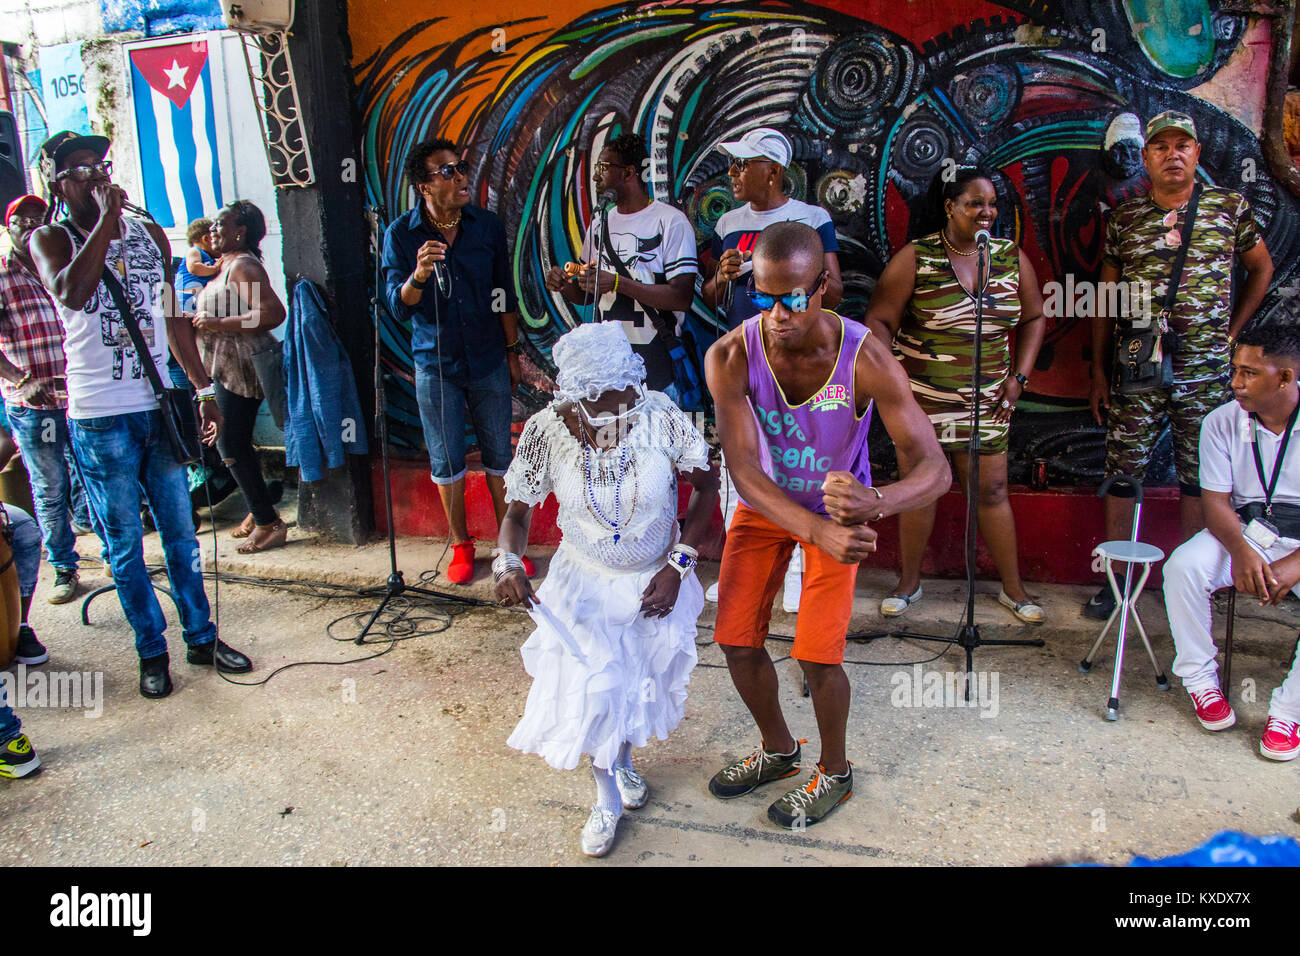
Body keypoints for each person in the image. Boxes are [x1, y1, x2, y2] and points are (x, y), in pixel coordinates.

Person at [704, 222, 950, 828]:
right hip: (767, 506)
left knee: (817, 658)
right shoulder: (731, 354)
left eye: (793, 297)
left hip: (838, 512)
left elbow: (935, 470)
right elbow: (742, 470)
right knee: (735, 641)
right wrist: (815, 532)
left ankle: (835, 772)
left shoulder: (863, 356)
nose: (778, 314)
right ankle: (779, 749)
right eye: (764, 297)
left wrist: (876, 501)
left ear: (824, 286)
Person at [28, 129, 252, 699]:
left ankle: (200, 637)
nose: (98, 173)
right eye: (81, 168)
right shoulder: (50, 238)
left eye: (101, 163)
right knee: (126, 544)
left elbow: (172, 316)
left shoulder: (149, 232)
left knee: (182, 535)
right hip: (100, 416)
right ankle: (151, 652)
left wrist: (201, 388)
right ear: (59, 181)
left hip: (157, 407)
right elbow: (73, 293)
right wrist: (104, 220)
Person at [494, 322, 718, 857]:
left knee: (634, 681)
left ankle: (622, 761)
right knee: (596, 691)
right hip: (583, 588)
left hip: (652, 583)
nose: (622, 409)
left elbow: (708, 487)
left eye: (628, 395)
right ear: (577, 395)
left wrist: (679, 565)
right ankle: (606, 797)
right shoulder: (546, 431)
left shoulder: (662, 415)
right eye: (606, 401)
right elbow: (518, 513)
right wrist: (507, 564)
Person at [1087, 109, 1274, 619]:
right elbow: (1104, 299)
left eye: (1182, 145)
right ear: (1146, 157)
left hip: (1207, 370)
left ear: (1196, 154)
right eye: (1161, 146)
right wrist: (1100, 371)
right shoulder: (1123, 218)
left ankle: (1191, 584)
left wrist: (1231, 333)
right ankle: (1118, 581)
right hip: (1138, 360)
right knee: (1124, 470)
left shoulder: (1228, 208)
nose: (1173, 154)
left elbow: (1261, 269)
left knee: (1200, 477)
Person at [865, 167, 1048, 623]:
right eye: (974, 203)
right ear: (950, 207)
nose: (986, 212)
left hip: (989, 400)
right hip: (923, 399)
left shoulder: (1008, 257)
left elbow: (1033, 318)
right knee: (921, 490)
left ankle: (1014, 591)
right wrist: (893, 381)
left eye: (991, 204)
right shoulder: (918, 258)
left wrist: (1019, 379)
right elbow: (879, 320)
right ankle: (908, 585)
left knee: (992, 490)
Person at [699, 127, 843, 613]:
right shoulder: (729, 222)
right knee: (739, 464)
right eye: (733, 165)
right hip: (745, 363)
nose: (734, 174)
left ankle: (800, 571)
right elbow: (710, 298)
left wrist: (787, 284)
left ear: (774, 171)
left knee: (800, 464)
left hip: (796, 362)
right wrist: (721, 277)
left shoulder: (811, 218)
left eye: (744, 165)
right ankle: (738, 566)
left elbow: (836, 291)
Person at [382, 137, 529, 585]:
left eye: (462, 168)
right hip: (437, 365)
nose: (461, 177)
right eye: (448, 171)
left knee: (501, 457)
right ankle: (462, 545)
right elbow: (397, 305)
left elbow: (505, 293)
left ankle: (507, 551)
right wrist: (419, 276)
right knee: (447, 461)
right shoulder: (402, 235)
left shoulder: (485, 227)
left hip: (487, 359)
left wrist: (512, 353)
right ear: (423, 186)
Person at [1161, 325, 1300, 760]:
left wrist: (1295, 564)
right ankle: (1202, 684)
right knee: (1183, 566)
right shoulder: (1221, 421)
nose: (1236, 383)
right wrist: (1242, 553)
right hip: (1246, 531)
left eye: (1250, 373)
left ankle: (1289, 712)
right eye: (1235, 370)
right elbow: (1216, 503)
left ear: (1286, 378)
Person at [544, 133, 699, 401]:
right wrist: (564, 284)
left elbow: (682, 297)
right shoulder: (600, 224)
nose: (595, 178)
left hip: (657, 363)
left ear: (628, 172)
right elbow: (586, 294)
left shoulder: (669, 221)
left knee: (658, 441)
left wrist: (617, 282)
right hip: (610, 367)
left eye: (603, 168)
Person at [0, 194, 87, 606]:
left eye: (39, 218)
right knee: (50, 485)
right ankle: (64, 568)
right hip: (36, 404)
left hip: (80, 394)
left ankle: (111, 554)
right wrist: (21, 379)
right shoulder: (2, 273)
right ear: (9, 228)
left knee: (92, 474)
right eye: (22, 220)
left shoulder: (59, 265)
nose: (32, 225)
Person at [191, 200, 288, 553]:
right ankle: (257, 508)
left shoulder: (243, 266)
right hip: (224, 366)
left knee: (229, 442)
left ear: (240, 230)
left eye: (220, 225)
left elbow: (273, 313)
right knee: (235, 441)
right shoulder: (222, 266)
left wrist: (219, 324)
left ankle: (267, 523)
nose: (212, 231)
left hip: (241, 368)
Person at [175, 217, 218, 312]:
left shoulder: (211, 259)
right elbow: (194, 268)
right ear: (206, 239)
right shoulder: (194, 251)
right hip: (184, 303)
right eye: (217, 238)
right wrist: (215, 268)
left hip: (197, 305)